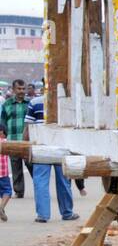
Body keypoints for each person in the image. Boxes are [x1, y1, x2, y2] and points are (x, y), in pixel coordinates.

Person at [25, 87, 78, 223]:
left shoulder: (35, 102)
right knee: (64, 182)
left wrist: (25, 146)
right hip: (61, 147)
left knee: (40, 182)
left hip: (41, 148)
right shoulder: (67, 103)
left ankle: (43, 215)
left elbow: (28, 127)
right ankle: (67, 212)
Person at [2, 80, 30, 198]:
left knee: (32, 164)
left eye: (23, 89)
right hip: (12, 140)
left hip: (28, 141)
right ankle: (19, 191)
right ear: (13, 90)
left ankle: (40, 188)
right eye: (19, 89)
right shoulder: (7, 104)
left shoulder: (29, 103)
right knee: (16, 167)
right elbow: (2, 121)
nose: (21, 91)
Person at [0, 123, 11, 222]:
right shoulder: (5, 142)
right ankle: (1, 207)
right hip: (3, 174)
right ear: (2, 132)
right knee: (7, 192)